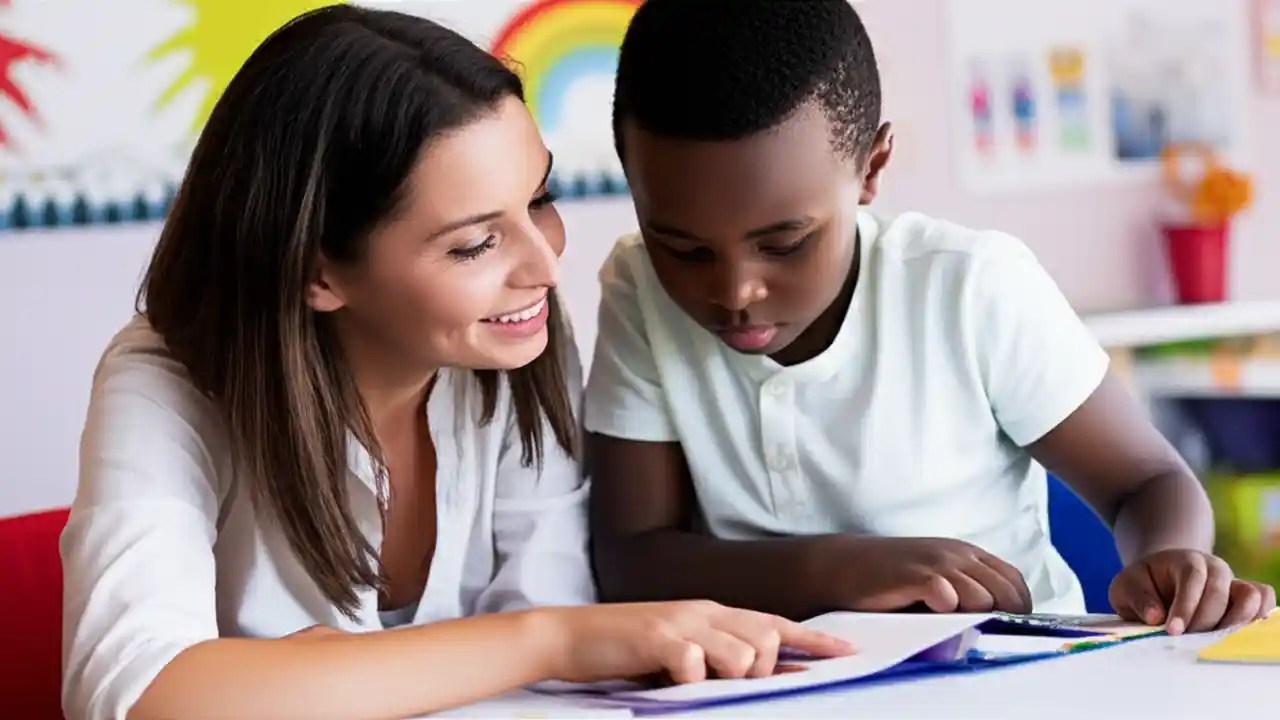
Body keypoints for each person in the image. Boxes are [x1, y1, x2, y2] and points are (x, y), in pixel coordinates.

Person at [59, 7, 854, 719]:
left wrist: (323, 673)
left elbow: (553, 673)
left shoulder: (510, 347)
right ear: (317, 271)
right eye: (476, 242)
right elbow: (143, 696)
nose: (543, 265)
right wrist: (543, 641)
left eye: (539, 201)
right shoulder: (164, 383)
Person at [584, 0, 1276, 631]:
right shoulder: (638, 286)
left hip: (1012, 677)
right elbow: (630, 561)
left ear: (872, 167)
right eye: (682, 246)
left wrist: (1171, 561)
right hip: (769, 688)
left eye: (786, 243)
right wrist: (837, 573)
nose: (736, 291)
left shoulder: (968, 286)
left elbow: (1148, 483)